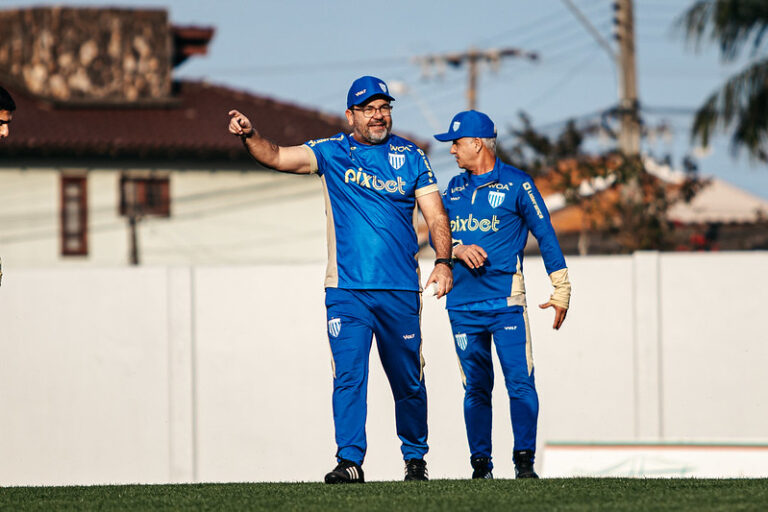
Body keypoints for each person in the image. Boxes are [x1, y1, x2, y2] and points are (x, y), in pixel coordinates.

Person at [227, 76, 453, 483]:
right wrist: (250, 134)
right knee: (348, 375)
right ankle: (350, 460)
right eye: (368, 109)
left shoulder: (412, 156)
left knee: (408, 380)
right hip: (346, 290)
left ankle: (415, 459)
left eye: (384, 108)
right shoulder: (331, 152)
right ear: (351, 115)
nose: (378, 116)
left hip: (400, 289)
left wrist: (443, 261)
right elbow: (276, 156)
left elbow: (436, 215)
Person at [433, 110, 571, 479]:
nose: (452, 151)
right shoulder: (454, 187)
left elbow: (545, 233)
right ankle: (481, 467)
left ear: (477, 144)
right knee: (476, 388)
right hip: (462, 305)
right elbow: (437, 229)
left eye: (456, 143)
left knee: (520, 383)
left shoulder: (517, 184)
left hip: (506, 303)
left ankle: (524, 463)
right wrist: (456, 248)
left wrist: (561, 286)